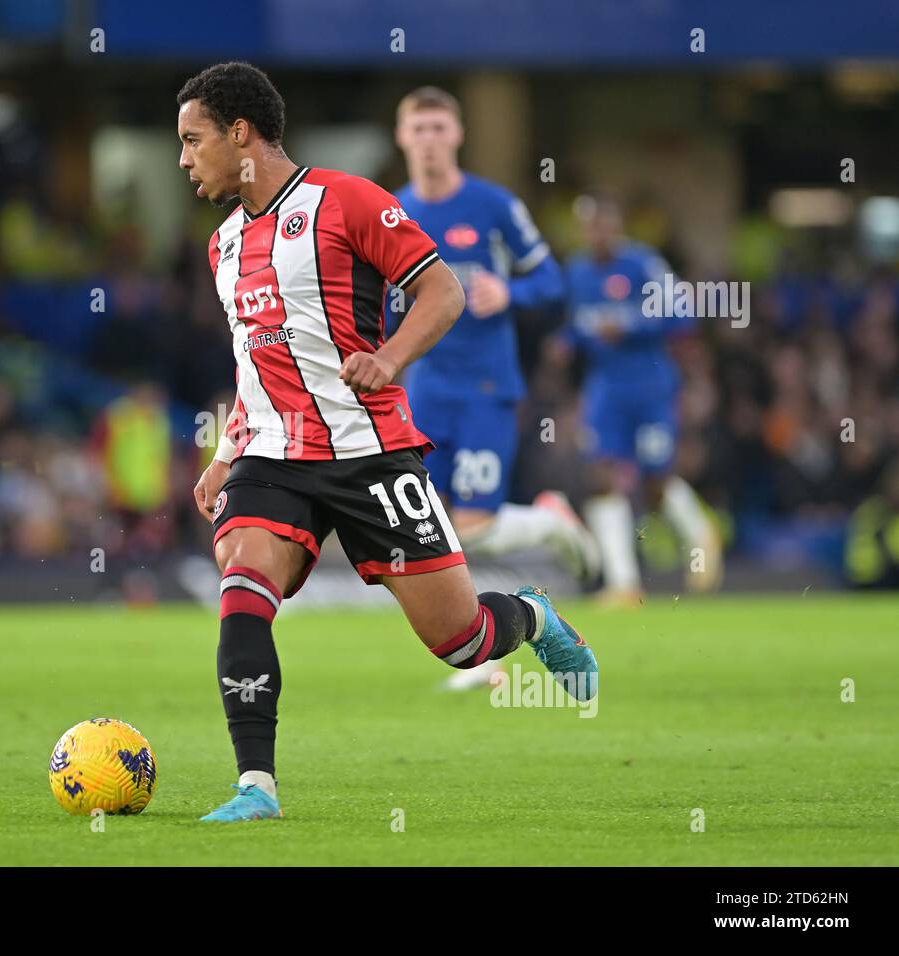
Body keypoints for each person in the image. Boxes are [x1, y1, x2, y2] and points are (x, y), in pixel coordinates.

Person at [180, 62, 598, 823]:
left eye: (192, 138)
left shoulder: (346, 201)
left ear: (240, 134)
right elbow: (255, 364)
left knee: (461, 641)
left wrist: (391, 358)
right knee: (242, 581)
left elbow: (445, 289)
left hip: (371, 451)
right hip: (276, 455)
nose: (183, 158)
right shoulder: (224, 248)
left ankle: (534, 615)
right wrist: (227, 449)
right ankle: (256, 788)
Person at [390, 86, 599, 688]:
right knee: (434, 530)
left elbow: (553, 285)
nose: (428, 140)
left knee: (473, 521)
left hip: (486, 388)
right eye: (418, 129)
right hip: (425, 388)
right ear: (403, 138)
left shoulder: (494, 206)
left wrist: (512, 293)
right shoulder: (391, 211)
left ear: (456, 136)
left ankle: (550, 521)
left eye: (438, 128)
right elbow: (380, 300)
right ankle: (480, 651)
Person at [558, 192, 721, 602]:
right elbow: (579, 326)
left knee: (654, 479)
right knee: (601, 476)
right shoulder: (576, 272)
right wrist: (563, 342)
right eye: (589, 225)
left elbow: (683, 314)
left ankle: (700, 533)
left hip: (649, 386)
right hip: (605, 390)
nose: (596, 232)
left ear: (617, 226)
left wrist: (629, 327)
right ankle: (623, 584)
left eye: (603, 223)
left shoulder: (643, 264)